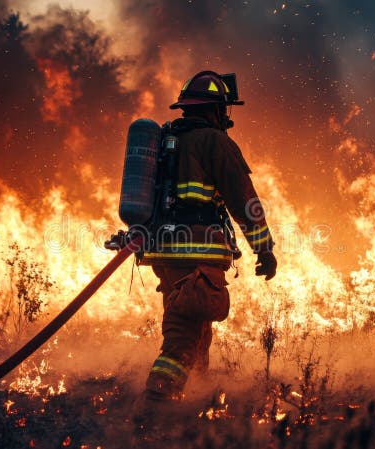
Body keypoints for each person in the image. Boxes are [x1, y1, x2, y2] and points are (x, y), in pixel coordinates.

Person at [133, 71, 278, 433]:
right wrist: (264, 247)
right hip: (196, 253)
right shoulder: (215, 142)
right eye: (225, 110)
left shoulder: (168, 140)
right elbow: (244, 199)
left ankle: (192, 408)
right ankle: (152, 413)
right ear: (216, 109)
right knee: (183, 338)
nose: (226, 117)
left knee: (197, 332)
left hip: (165, 255)